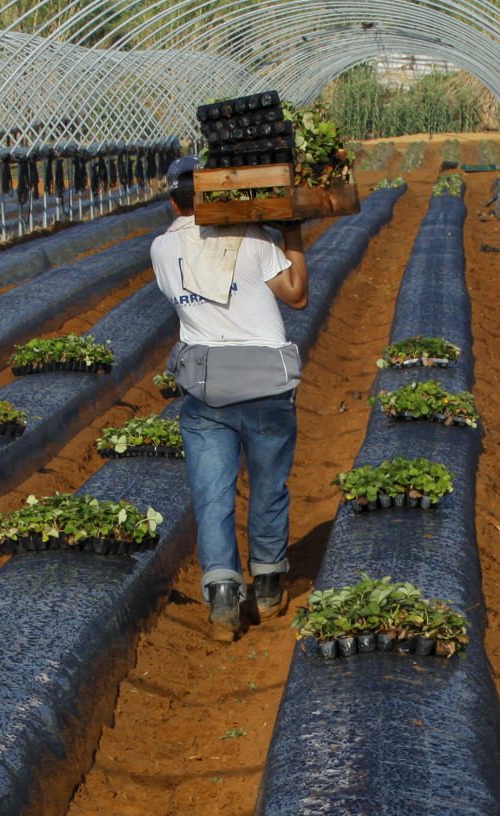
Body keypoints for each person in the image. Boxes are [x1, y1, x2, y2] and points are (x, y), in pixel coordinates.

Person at [152, 156, 309, 642]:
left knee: (213, 493)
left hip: (207, 385)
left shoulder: (161, 248)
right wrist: (292, 233)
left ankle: (223, 595)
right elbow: (297, 295)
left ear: (173, 200)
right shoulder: (257, 239)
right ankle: (266, 584)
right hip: (265, 382)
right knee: (268, 485)